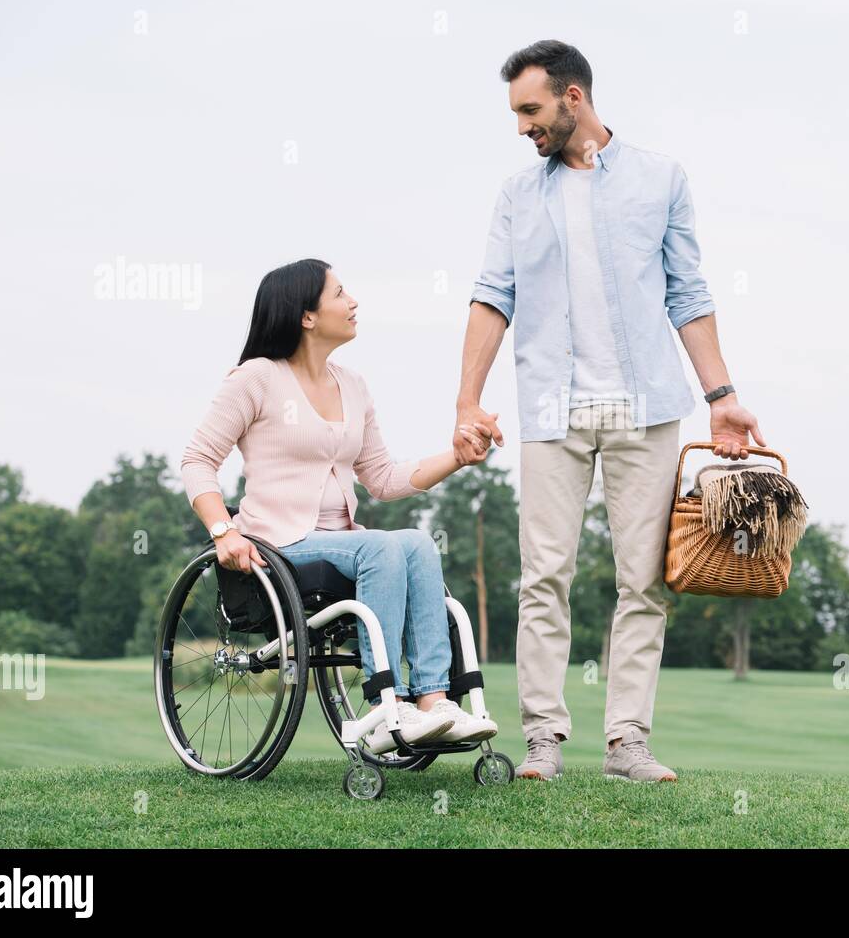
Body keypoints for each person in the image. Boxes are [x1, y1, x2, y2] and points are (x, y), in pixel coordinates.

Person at [454, 41, 765, 782]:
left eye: (531, 110)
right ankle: (543, 740)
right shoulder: (517, 195)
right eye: (516, 113)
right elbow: (493, 295)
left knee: (644, 582)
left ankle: (627, 743)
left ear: (574, 97)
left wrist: (721, 397)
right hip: (552, 411)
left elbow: (687, 293)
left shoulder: (661, 178)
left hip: (646, 408)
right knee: (543, 578)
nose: (523, 127)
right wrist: (468, 399)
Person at [182, 258, 498, 754]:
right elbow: (198, 460)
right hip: (278, 542)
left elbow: (383, 479)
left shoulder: (353, 385)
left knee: (417, 543)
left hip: (344, 541)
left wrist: (456, 457)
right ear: (307, 316)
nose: (353, 303)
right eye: (340, 293)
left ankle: (434, 701)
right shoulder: (255, 379)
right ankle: (385, 704)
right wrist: (224, 531)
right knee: (381, 548)